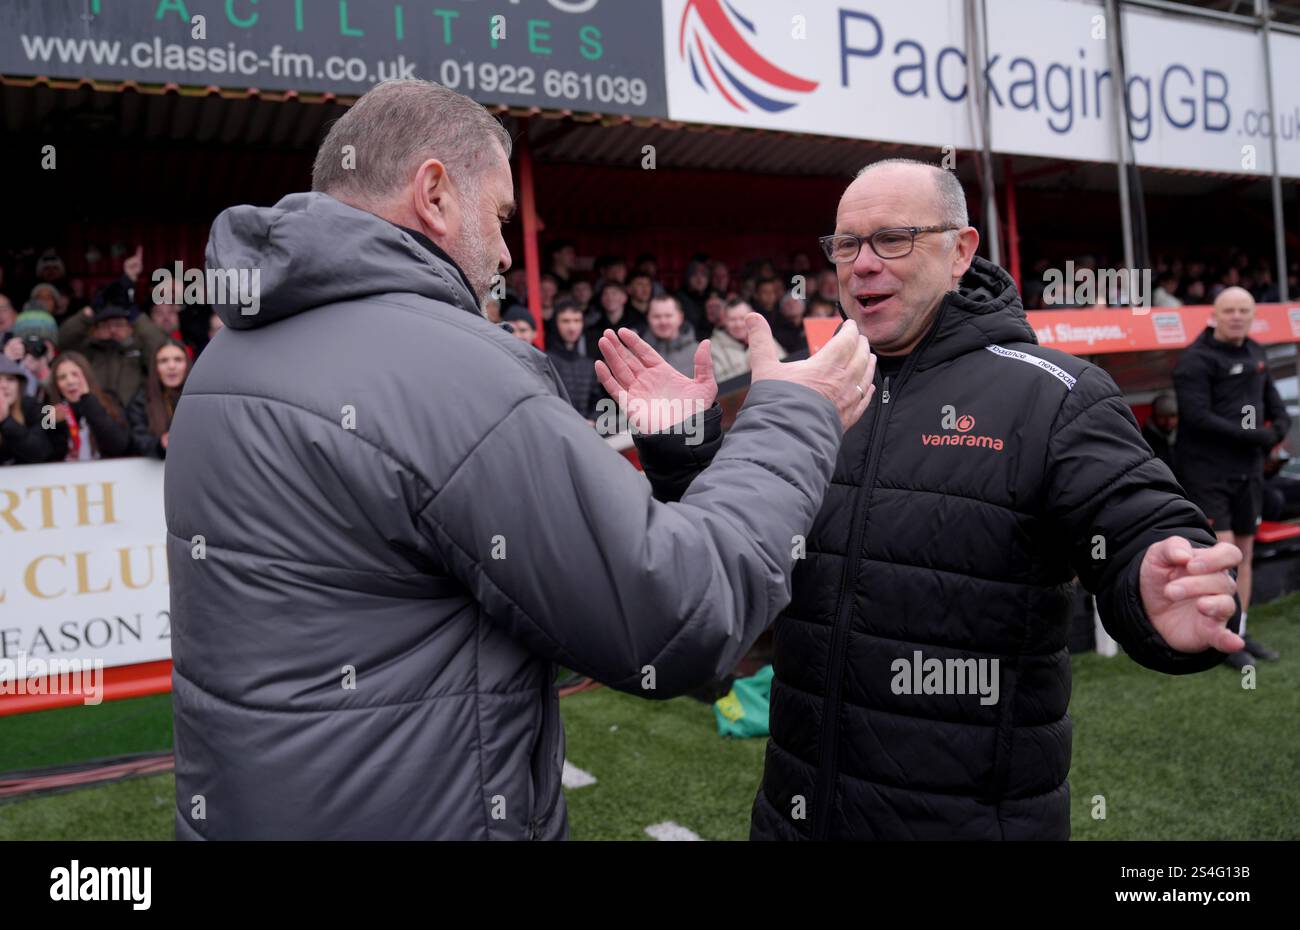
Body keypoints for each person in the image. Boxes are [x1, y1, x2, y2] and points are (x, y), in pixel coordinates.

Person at [166, 79, 874, 842]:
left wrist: (683, 453)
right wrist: (795, 416)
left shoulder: (224, 359)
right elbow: (672, 619)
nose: (507, 251)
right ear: (434, 192)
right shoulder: (447, 367)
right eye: (501, 218)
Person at [600, 158, 1244, 841]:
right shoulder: (816, 390)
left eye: (893, 239)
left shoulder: (1054, 393)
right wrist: (686, 449)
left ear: (961, 250)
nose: (862, 265)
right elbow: (736, 560)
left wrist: (1150, 579)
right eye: (846, 245)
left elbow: (1136, 521)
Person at [1174, 286, 1287, 669]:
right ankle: (1218, 638)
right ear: (1214, 315)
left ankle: (1239, 631)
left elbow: (1271, 397)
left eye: (1244, 310)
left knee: (1246, 554)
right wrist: (1256, 437)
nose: (1237, 316)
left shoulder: (1256, 351)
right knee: (1223, 557)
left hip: (1249, 471)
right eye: (1229, 311)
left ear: (1253, 315)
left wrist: (1282, 425)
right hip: (1209, 473)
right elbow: (1198, 418)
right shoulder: (1195, 360)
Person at [58, 300, 168, 406]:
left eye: (118, 324)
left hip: (135, 416)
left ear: (131, 328)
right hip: (96, 414)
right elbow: (63, 340)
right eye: (105, 325)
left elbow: (161, 348)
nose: (112, 330)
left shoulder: (140, 349)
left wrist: (139, 318)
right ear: (95, 331)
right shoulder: (88, 350)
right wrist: (87, 313)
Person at [48, 352, 132, 460]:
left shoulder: (109, 400)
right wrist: (55, 426)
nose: (70, 381)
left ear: (87, 375)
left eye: (75, 374)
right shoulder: (49, 409)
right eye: (62, 377)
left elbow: (118, 445)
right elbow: (43, 454)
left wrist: (88, 400)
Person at [127, 340, 190, 459]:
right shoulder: (141, 400)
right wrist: (160, 444)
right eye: (163, 361)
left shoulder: (202, 398)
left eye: (178, 360)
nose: (171, 366)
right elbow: (136, 441)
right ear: (154, 367)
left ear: (187, 364)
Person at [545, 299, 604, 421]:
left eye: (577, 321)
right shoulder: (545, 361)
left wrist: (593, 419)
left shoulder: (588, 364)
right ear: (555, 323)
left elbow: (598, 401)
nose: (572, 327)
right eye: (565, 321)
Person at [710, 298, 786, 383]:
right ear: (724, 320)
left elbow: (784, 363)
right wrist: (748, 368)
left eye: (742, 318)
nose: (738, 325)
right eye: (732, 319)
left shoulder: (763, 335)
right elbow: (720, 384)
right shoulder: (714, 347)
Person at [0, 357, 57, 465]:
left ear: (19, 385)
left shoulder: (37, 407)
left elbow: (42, 452)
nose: (4, 386)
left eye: (10, 379)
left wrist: (6, 421)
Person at [643, 295, 700, 377]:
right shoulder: (636, 353)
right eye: (657, 316)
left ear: (680, 317)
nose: (663, 321)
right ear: (648, 318)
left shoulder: (698, 352)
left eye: (668, 316)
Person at [1143, 393, 1178, 471]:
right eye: (1162, 416)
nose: (1168, 421)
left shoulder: (1184, 436)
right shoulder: (1145, 440)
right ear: (1154, 416)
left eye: (1172, 415)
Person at [676, 260, 712, 336]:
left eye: (703, 275)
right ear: (688, 278)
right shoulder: (679, 298)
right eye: (695, 275)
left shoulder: (712, 297)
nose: (699, 279)